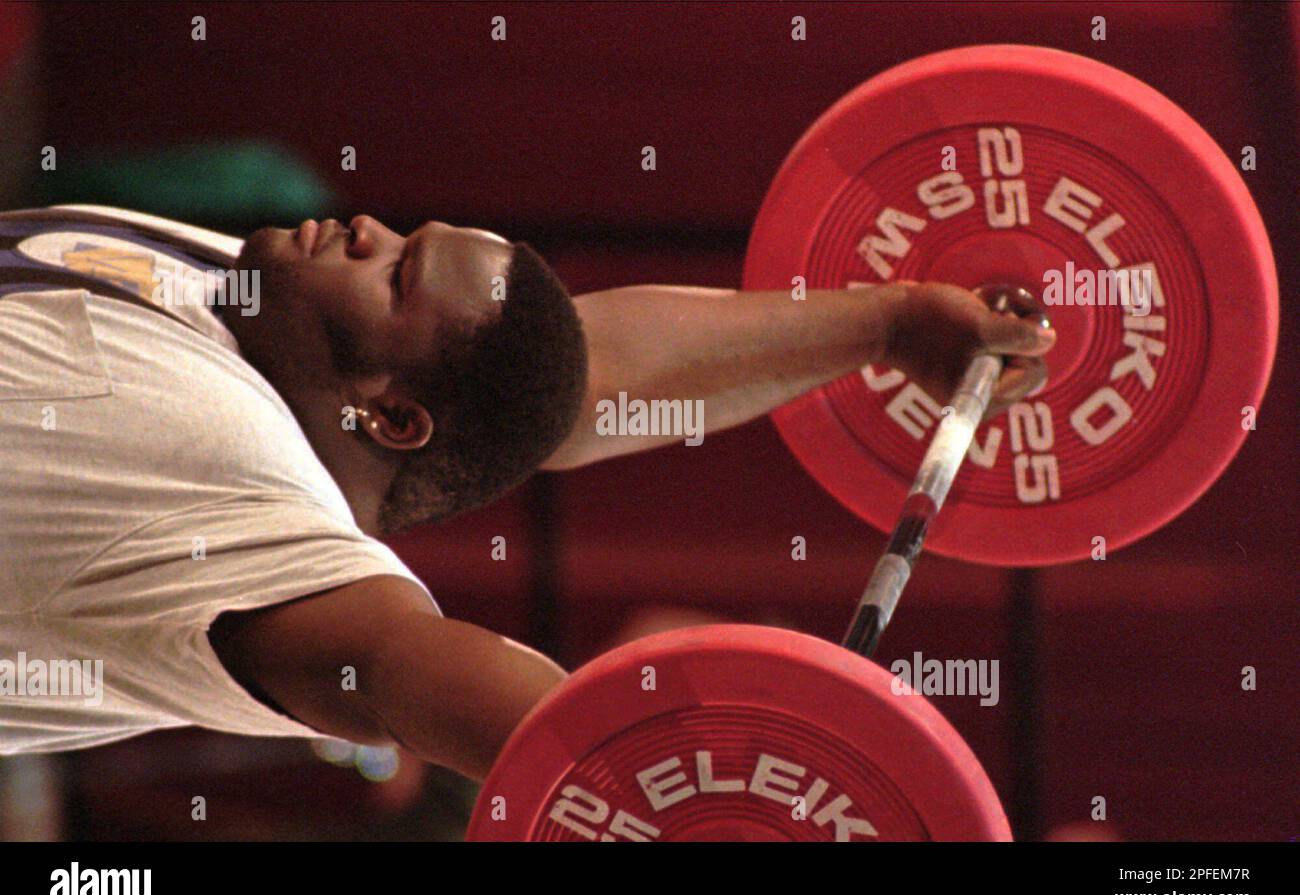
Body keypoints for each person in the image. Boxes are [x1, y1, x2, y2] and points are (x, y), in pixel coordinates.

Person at [0, 205, 1053, 779]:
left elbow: (404, 661)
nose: (364, 223)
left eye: (396, 269)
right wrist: (890, 321)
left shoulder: (242, 490)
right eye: (407, 236)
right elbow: (584, 372)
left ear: (394, 414)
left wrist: (666, 781)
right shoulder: (242, 293)